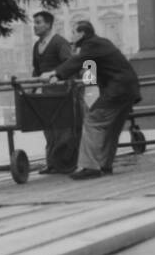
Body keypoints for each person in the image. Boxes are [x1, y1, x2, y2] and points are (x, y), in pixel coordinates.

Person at [44, 20, 140, 180]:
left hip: (117, 90)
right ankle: (104, 164)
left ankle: (90, 167)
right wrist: (78, 79)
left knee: (92, 121)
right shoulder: (99, 44)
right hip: (128, 89)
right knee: (112, 128)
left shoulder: (91, 45)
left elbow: (78, 61)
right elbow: (90, 74)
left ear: (82, 34)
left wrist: (56, 74)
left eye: (74, 32)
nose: (71, 36)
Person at [30, 11, 76, 174]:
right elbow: (36, 69)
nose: (35, 26)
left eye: (38, 22)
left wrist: (54, 74)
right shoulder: (37, 45)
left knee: (62, 127)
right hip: (46, 93)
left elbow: (69, 64)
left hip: (61, 92)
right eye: (34, 23)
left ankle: (62, 162)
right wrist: (32, 89)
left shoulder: (59, 42)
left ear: (48, 24)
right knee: (48, 128)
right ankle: (51, 162)